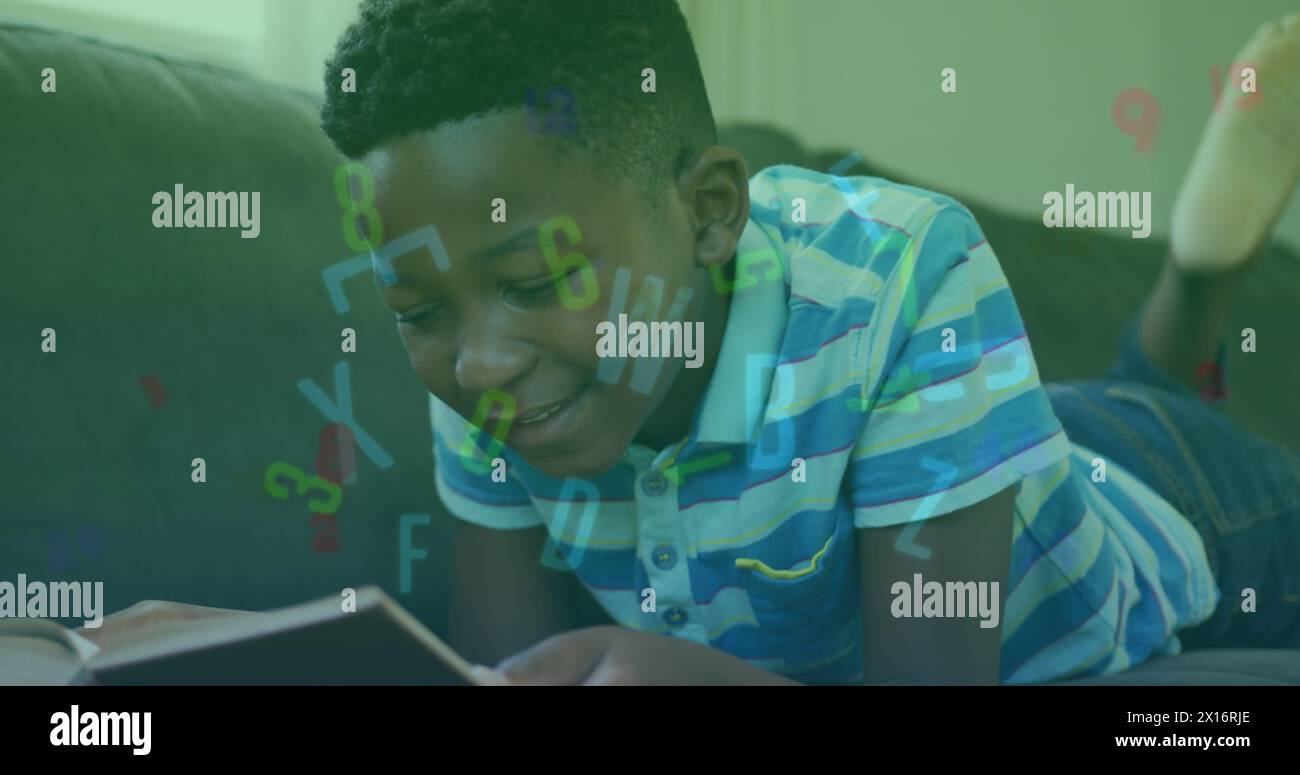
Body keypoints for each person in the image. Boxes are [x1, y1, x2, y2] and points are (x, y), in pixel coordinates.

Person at [97, 1, 1300, 685]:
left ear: (711, 211)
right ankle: (1192, 273)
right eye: (421, 314)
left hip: (1156, 497)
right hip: (959, 449)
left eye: (531, 280)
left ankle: (1199, 269)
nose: (477, 364)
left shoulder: (900, 272)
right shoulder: (482, 359)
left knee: (1140, 418)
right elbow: (509, 677)